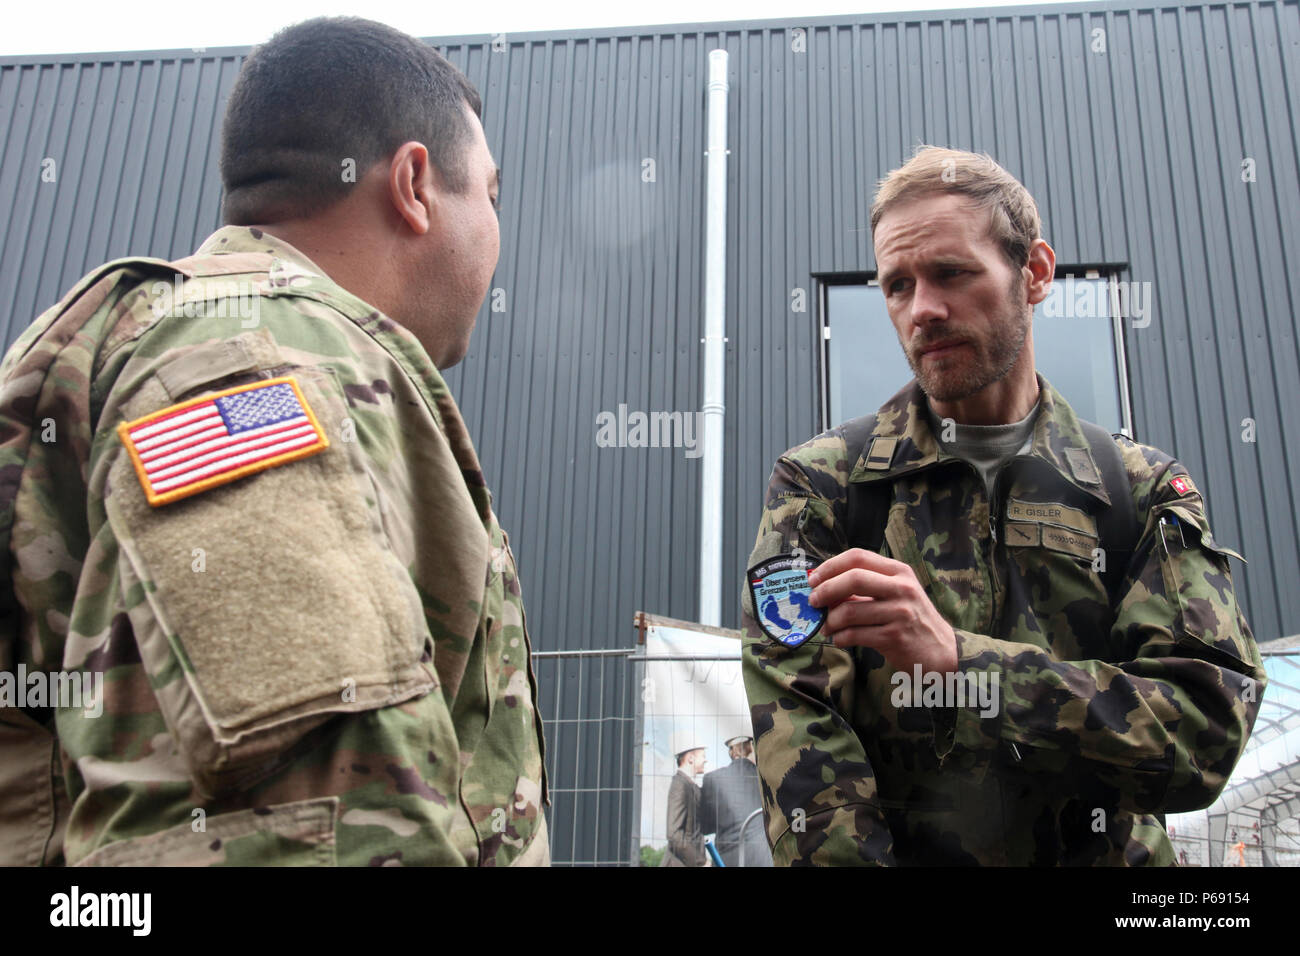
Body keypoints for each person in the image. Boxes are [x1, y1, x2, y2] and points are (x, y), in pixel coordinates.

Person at [0, 17, 547, 866]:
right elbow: (311, 835)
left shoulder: (182, 336)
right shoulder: (258, 363)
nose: (496, 233)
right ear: (413, 184)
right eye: (490, 193)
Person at [740, 146, 1266, 866]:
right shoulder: (824, 488)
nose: (922, 309)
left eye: (951, 272)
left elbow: (1204, 740)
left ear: (1036, 273)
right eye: (897, 285)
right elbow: (801, 757)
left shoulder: (1138, 492)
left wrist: (965, 667)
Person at [698, 735, 772, 866]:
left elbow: (705, 827)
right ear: (752, 747)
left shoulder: (712, 779)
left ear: (731, 752)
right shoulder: (768, 779)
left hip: (726, 861)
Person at [661, 740, 707, 866]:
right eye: (703, 756)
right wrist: (700, 862)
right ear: (691, 758)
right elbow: (674, 833)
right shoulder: (680, 785)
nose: (705, 760)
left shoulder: (688, 785)